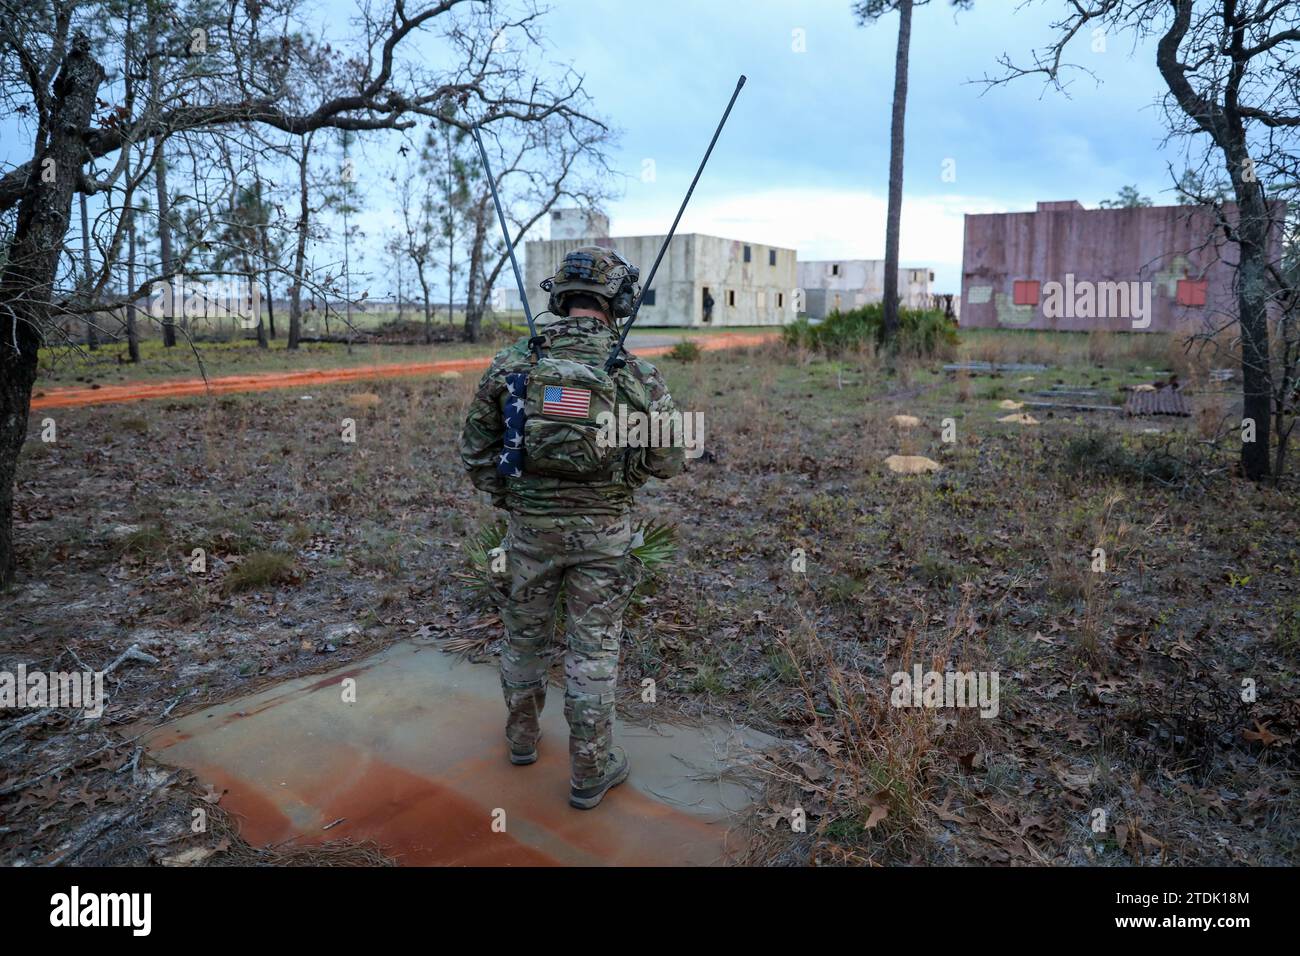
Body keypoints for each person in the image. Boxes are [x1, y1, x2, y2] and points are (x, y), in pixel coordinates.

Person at [459, 246, 685, 809]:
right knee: (593, 648)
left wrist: (512, 497)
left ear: (561, 297)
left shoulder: (515, 362)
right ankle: (589, 770)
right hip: (605, 533)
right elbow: (670, 461)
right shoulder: (636, 374)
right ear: (619, 301)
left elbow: (474, 450)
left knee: (525, 633)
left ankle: (521, 740)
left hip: (530, 529)